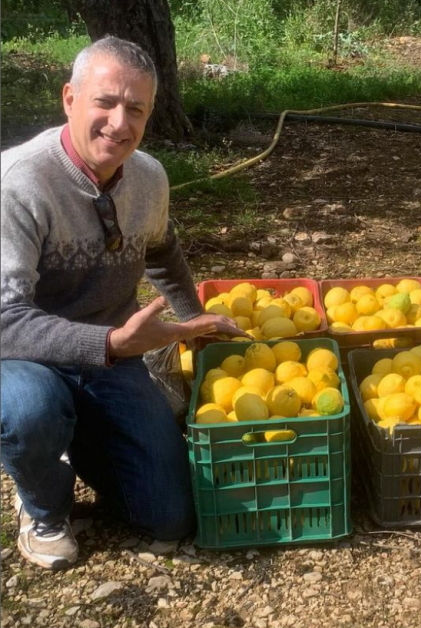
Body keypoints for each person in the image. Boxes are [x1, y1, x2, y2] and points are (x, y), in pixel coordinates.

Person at [0, 36, 242, 570]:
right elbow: (3, 321)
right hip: (22, 358)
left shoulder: (149, 177)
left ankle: (79, 429)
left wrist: (192, 317)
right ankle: (43, 504)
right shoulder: (19, 183)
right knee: (28, 411)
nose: (119, 122)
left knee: (171, 517)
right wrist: (110, 342)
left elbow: (161, 251)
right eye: (104, 102)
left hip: (112, 358)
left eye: (136, 108)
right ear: (69, 99)